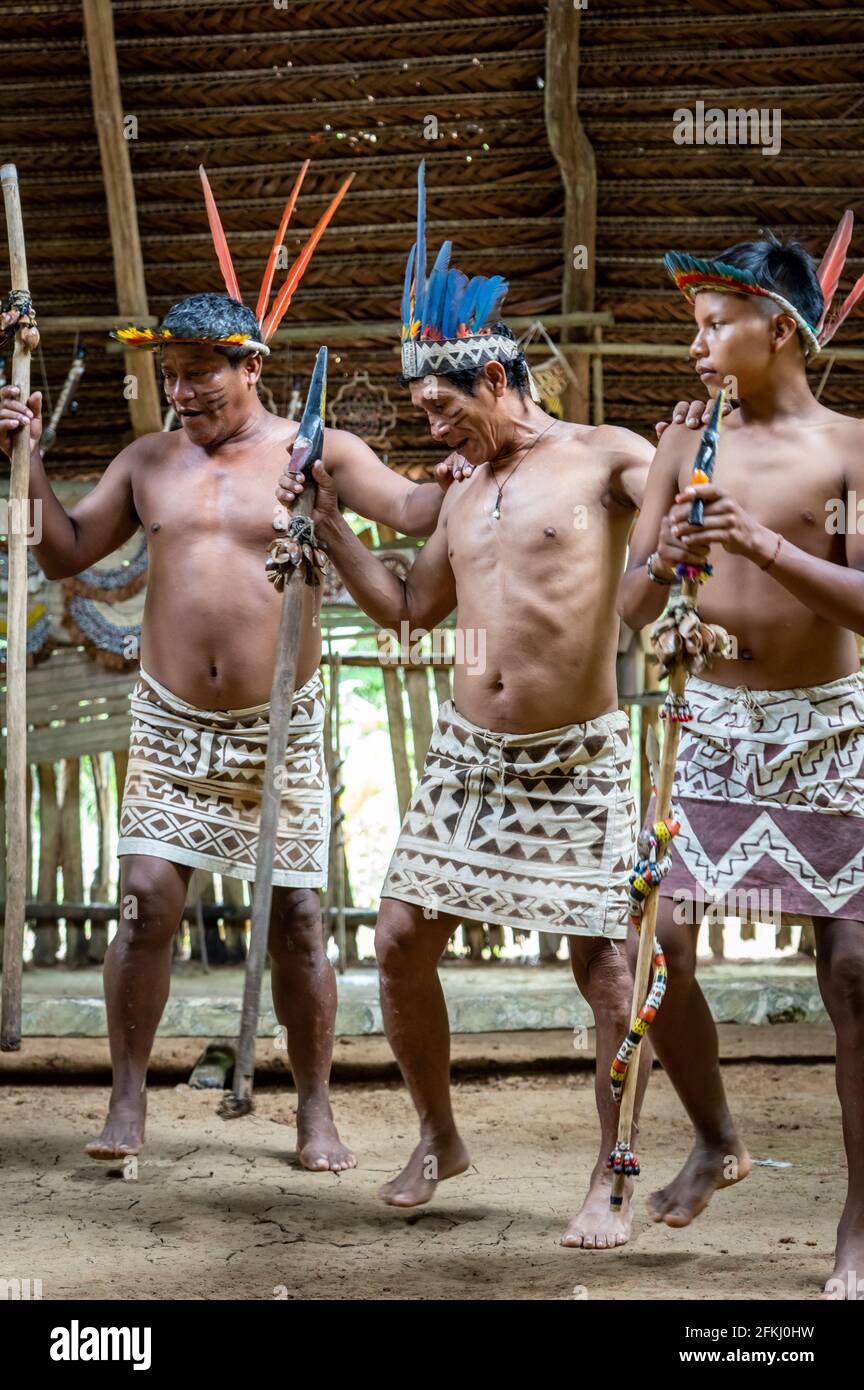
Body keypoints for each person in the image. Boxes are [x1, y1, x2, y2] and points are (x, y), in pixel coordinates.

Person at [0, 165, 454, 1172]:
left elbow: (417, 513)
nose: (184, 386)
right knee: (147, 900)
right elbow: (64, 551)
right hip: (170, 720)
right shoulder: (148, 460)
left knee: (297, 916)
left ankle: (314, 1109)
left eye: (205, 368)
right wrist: (25, 455)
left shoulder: (313, 448)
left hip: (275, 724)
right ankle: (128, 1101)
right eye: (173, 369)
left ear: (253, 364)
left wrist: (476, 450)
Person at [299, 161, 660, 1247]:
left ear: (497, 379)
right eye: (420, 413)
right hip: (470, 755)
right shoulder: (458, 493)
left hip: (580, 753)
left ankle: (611, 1175)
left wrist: (693, 518)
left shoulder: (605, 457)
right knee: (401, 931)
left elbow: (671, 529)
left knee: (604, 967)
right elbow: (413, 610)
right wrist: (330, 530)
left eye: (443, 407)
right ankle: (436, 1133)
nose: (434, 429)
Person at [618, 220, 864, 1297]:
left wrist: (766, 543)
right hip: (711, 723)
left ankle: (859, 1220)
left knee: (855, 974)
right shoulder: (683, 445)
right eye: (695, 327)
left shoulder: (852, 452)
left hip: (831, 728)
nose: (698, 345)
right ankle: (716, 1137)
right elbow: (628, 606)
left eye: (716, 325)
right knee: (654, 943)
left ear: (780, 327)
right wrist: (666, 552)